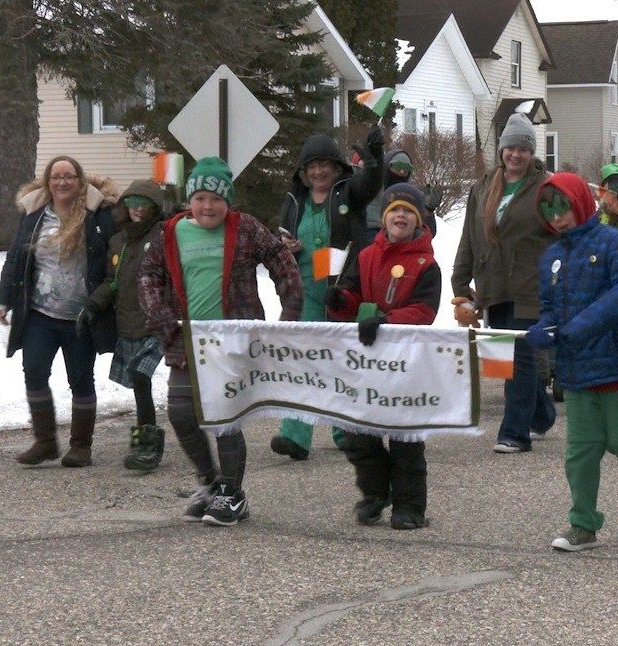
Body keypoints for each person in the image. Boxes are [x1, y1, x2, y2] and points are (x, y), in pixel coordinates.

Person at [139, 157, 304, 526]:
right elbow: (149, 275)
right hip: (187, 340)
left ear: (227, 201)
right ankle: (210, 483)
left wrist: (288, 314)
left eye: (216, 199)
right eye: (199, 198)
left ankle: (233, 493)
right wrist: (163, 320)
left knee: (224, 417)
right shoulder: (171, 231)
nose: (208, 206)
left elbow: (281, 261)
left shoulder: (245, 228)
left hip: (232, 340)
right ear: (189, 200)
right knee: (181, 413)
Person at [524, 172, 618, 551]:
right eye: (549, 210)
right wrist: (544, 329)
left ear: (580, 202)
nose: (557, 217)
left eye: (563, 206)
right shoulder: (551, 256)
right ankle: (583, 524)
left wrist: (580, 325)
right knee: (581, 450)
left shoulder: (614, 242)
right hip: (578, 366)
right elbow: (551, 309)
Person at [325, 183, 440, 530]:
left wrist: (387, 322)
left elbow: (425, 311)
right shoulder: (365, 257)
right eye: (394, 210)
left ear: (417, 218)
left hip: (406, 364)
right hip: (366, 362)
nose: (400, 216)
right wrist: (341, 302)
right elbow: (352, 297)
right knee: (359, 434)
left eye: (407, 210)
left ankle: (410, 507)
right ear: (385, 218)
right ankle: (374, 493)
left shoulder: (425, 264)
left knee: (405, 440)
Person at [0, 156, 119, 468]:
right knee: (34, 371)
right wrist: (3, 297)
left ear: (81, 181)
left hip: (81, 316)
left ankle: (81, 446)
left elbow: (112, 260)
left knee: (80, 378)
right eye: (56, 177)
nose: (62, 182)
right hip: (39, 314)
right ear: (47, 183)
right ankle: (45, 441)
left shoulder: (97, 216)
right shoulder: (35, 216)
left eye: (70, 176)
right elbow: (15, 259)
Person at [270, 127, 385, 462]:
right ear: (303, 172)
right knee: (304, 361)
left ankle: (345, 430)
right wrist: (289, 245)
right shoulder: (295, 202)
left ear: (336, 167)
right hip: (305, 291)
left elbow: (371, 183)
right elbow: (283, 239)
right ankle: (295, 434)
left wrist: (374, 159)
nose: (318, 171)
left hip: (341, 292)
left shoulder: (349, 193)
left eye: (324, 164)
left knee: (341, 362)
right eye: (311, 166)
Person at [450, 112, 557, 453]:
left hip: (530, 287)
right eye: (510, 148)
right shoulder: (482, 188)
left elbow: (562, 234)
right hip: (494, 287)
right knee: (504, 360)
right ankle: (540, 414)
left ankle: (514, 433)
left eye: (523, 149)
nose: (515, 155)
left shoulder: (546, 189)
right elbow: (469, 237)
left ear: (532, 153)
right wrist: (460, 283)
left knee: (519, 359)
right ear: (501, 150)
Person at [85, 179, 171, 472]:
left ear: (154, 208)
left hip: (158, 323)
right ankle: (142, 440)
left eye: (143, 204)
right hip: (128, 323)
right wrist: (93, 305)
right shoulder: (118, 241)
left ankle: (148, 443)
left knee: (141, 375)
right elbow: (113, 281)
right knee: (138, 383)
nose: (136, 210)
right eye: (131, 204)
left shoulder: (164, 236)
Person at [363, 149, 440, 240]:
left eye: (406, 168)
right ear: (387, 166)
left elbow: (426, 234)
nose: (402, 172)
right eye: (397, 167)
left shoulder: (411, 196)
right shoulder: (372, 188)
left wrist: (428, 211)